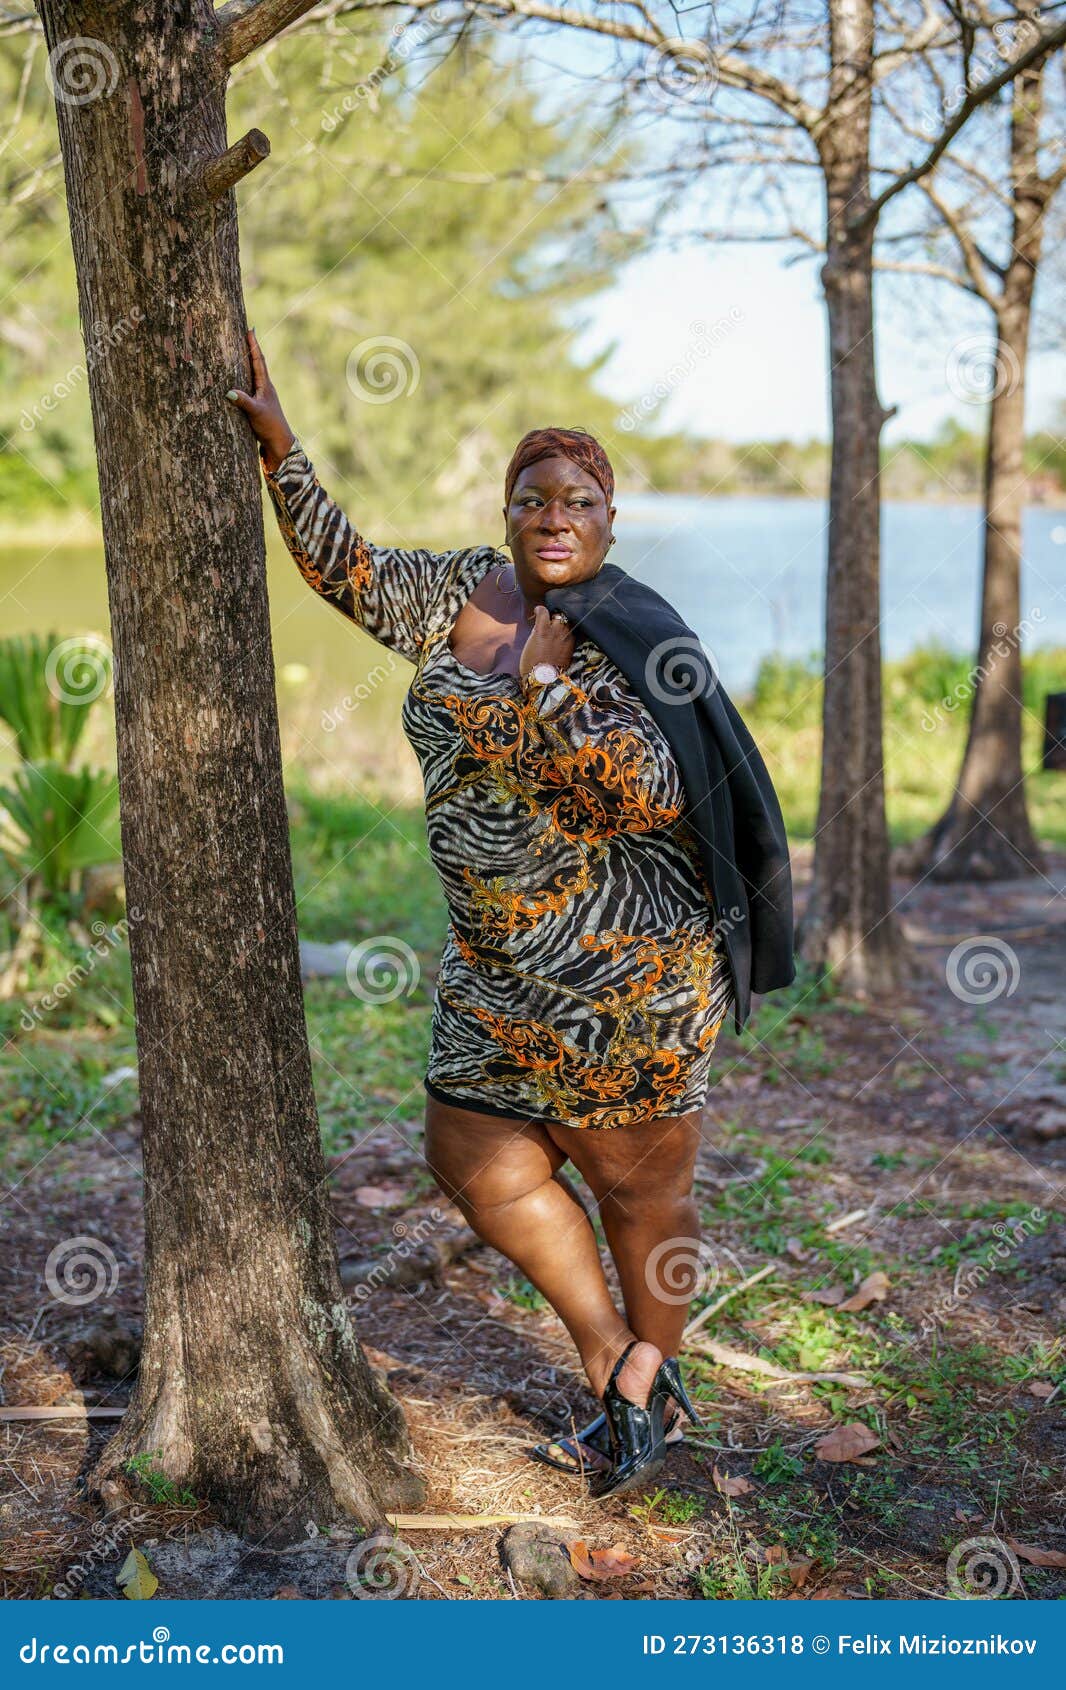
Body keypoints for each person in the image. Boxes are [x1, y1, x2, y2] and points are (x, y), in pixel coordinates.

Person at [225, 327, 789, 1499]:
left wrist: (542, 678)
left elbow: (638, 787)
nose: (552, 513)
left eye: (577, 498)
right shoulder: (458, 592)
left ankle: (650, 1383)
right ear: (506, 510)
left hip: (621, 984)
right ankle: (613, 1356)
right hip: (493, 973)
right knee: (472, 1157)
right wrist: (283, 450)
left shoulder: (633, 634)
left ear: (609, 521)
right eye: (532, 496)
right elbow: (352, 572)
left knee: (641, 1190)